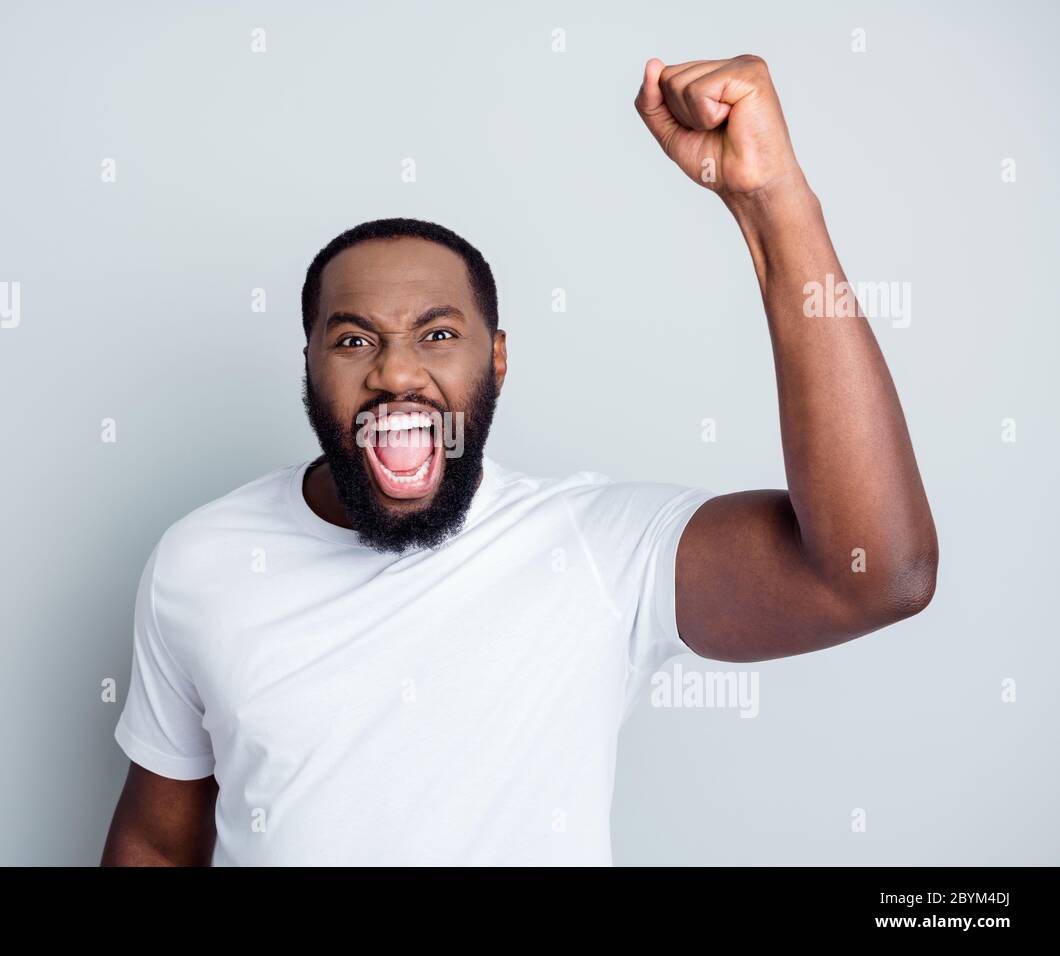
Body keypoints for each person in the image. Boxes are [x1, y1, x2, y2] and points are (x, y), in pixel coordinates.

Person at [100, 55, 937, 866]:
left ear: (496, 361)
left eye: (438, 334)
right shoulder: (202, 560)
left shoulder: (597, 550)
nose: (395, 373)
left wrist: (772, 202)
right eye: (353, 340)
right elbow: (157, 842)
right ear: (310, 368)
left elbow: (875, 576)